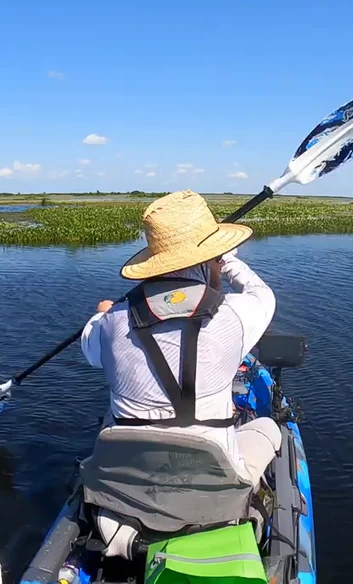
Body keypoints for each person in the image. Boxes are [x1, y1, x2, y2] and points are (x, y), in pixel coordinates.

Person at [80, 189, 281, 485]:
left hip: (131, 477)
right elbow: (262, 294)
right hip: (214, 480)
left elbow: (91, 348)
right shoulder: (235, 316)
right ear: (211, 261)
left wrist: (102, 314)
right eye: (216, 261)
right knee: (269, 429)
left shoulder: (110, 323)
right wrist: (227, 261)